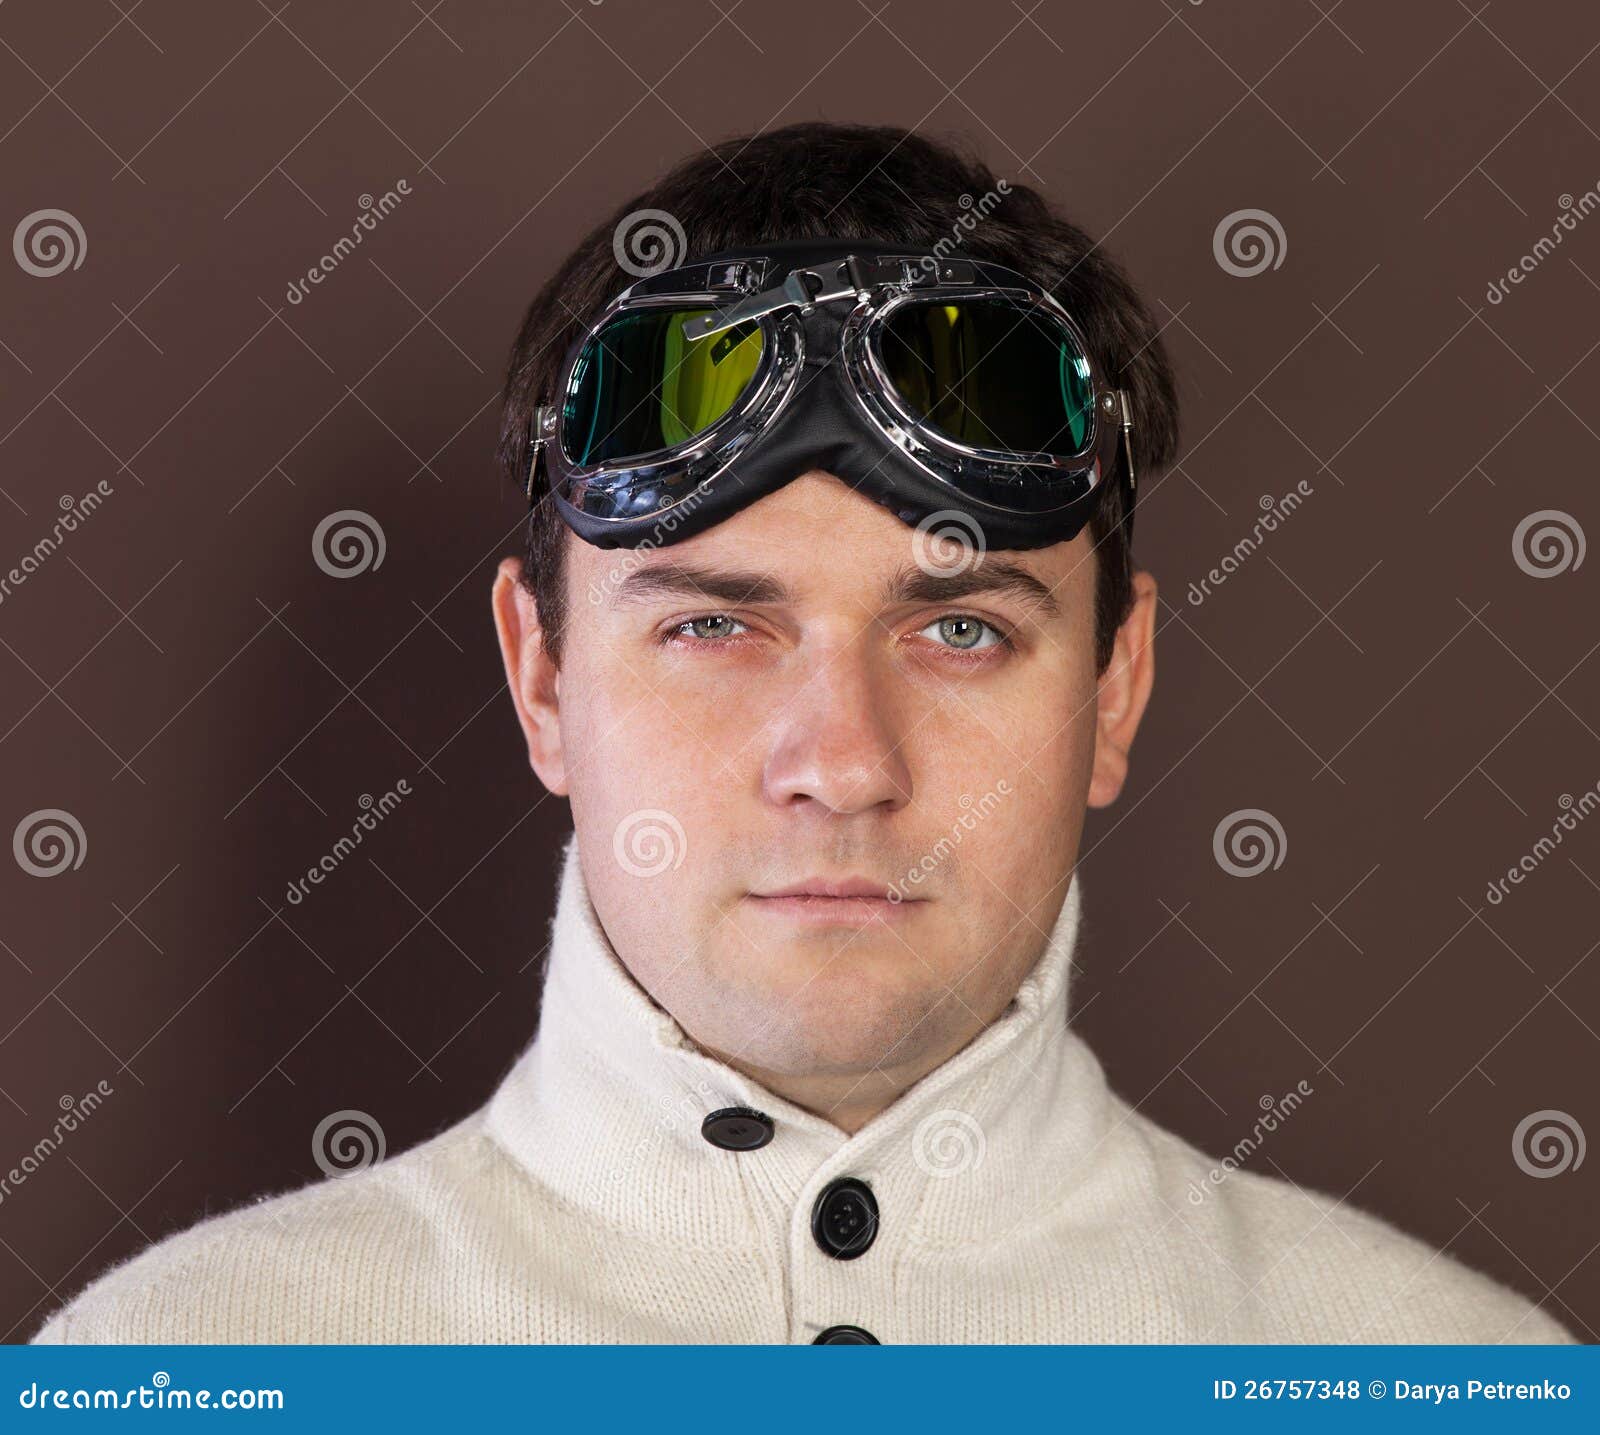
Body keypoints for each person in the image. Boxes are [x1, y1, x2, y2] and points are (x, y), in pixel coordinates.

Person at [32, 122, 1575, 1345]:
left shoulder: (1450, 1376)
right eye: (713, 625)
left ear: (1114, 691)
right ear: (542, 681)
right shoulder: (182, 1370)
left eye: (960, 630)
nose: (842, 762)